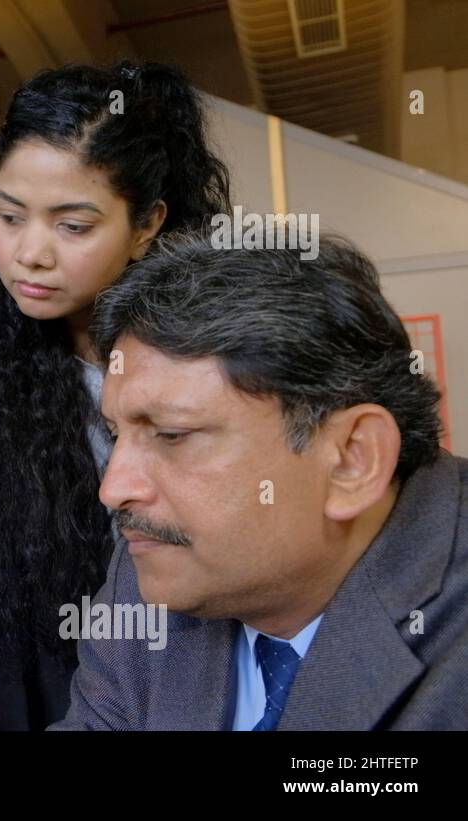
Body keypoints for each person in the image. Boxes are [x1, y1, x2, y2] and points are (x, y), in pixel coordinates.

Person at [0, 61, 230, 729]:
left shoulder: (217, 362)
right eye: (10, 216)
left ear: (147, 224)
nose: (29, 254)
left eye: (72, 226)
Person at [50, 232, 465, 730]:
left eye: (172, 434)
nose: (113, 489)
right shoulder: (151, 567)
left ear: (354, 459)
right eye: (116, 435)